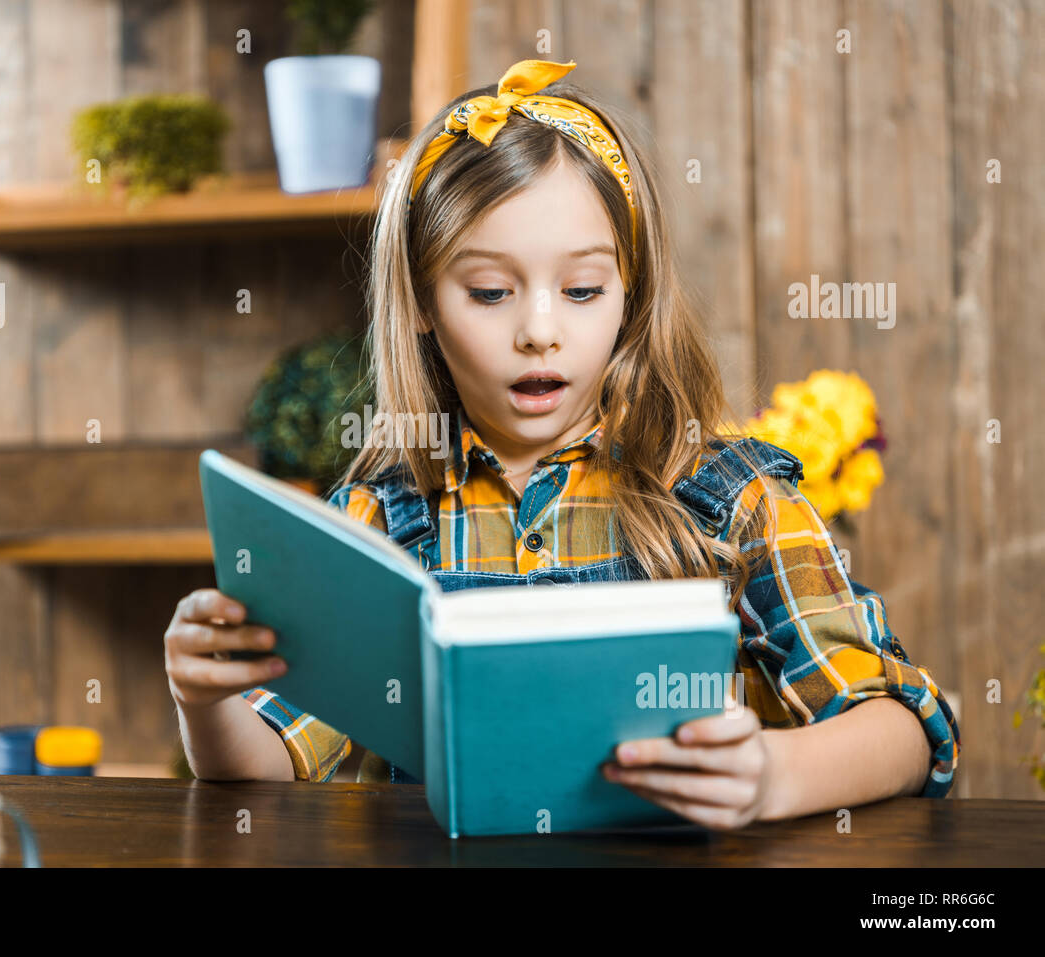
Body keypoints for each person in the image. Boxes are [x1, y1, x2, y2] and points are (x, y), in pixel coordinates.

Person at [165, 59, 959, 828]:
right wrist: (203, 699)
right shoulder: (379, 517)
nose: (540, 331)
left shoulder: (735, 496)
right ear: (421, 304)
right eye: (489, 292)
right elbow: (270, 756)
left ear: (630, 294)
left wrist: (769, 778)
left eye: (582, 290)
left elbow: (905, 729)